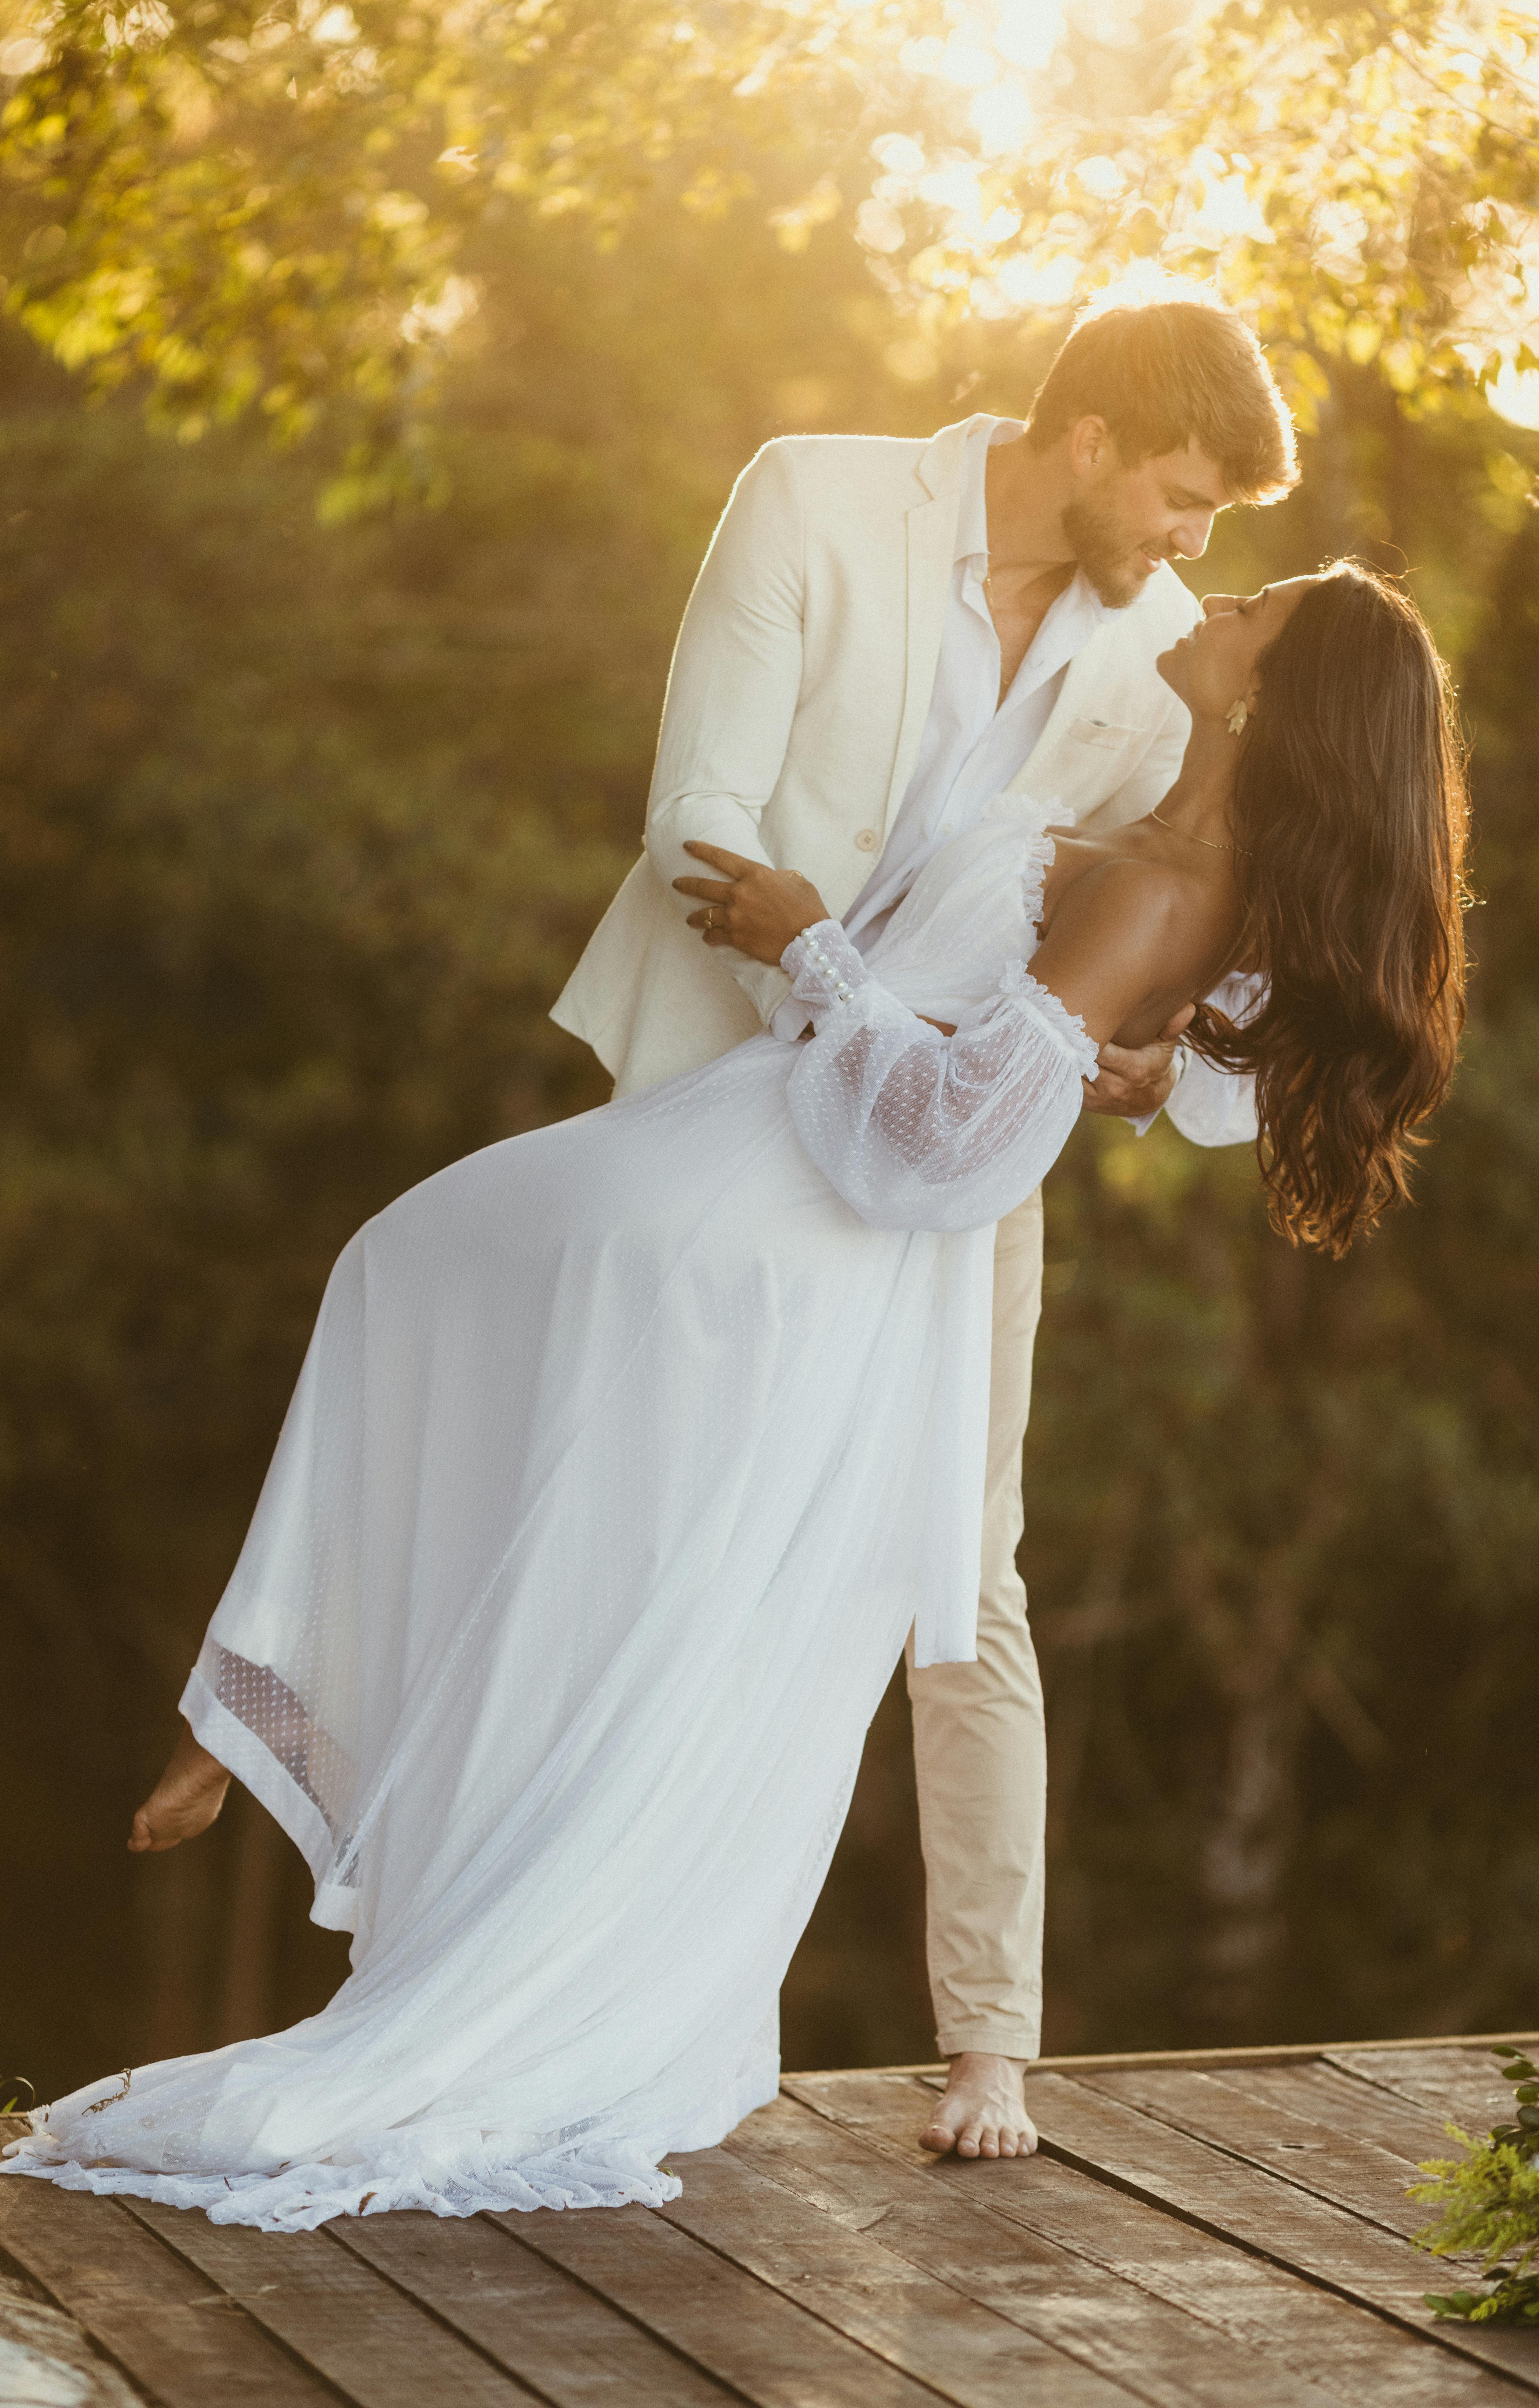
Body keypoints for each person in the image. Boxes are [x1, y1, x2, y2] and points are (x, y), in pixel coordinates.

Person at [0, 558, 1466, 2233]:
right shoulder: (1170, 838)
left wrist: (814, 949)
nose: (1219, 600)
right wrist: (1120, 1049)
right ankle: (289, 1722)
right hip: (760, 1170)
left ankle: (303, 1738)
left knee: (446, 1320)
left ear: (1265, 694)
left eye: (1256, 608)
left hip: (782, 1208)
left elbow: (943, 1156)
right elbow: (1112, 1038)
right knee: (462, 1350)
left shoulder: (1164, 881)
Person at [550, 289, 1297, 2157]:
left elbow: (1190, 929)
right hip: (716, 1117)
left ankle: (990, 2046)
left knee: (965, 1587)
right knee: (666, 1549)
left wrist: (1154, 1061)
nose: (1197, 546)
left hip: (955, 1162)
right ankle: (614, 2006)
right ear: (1091, 439)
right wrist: (816, 1051)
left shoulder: (1167, 666)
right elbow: (696, 824)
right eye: (1188, 498)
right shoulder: (811, 498)